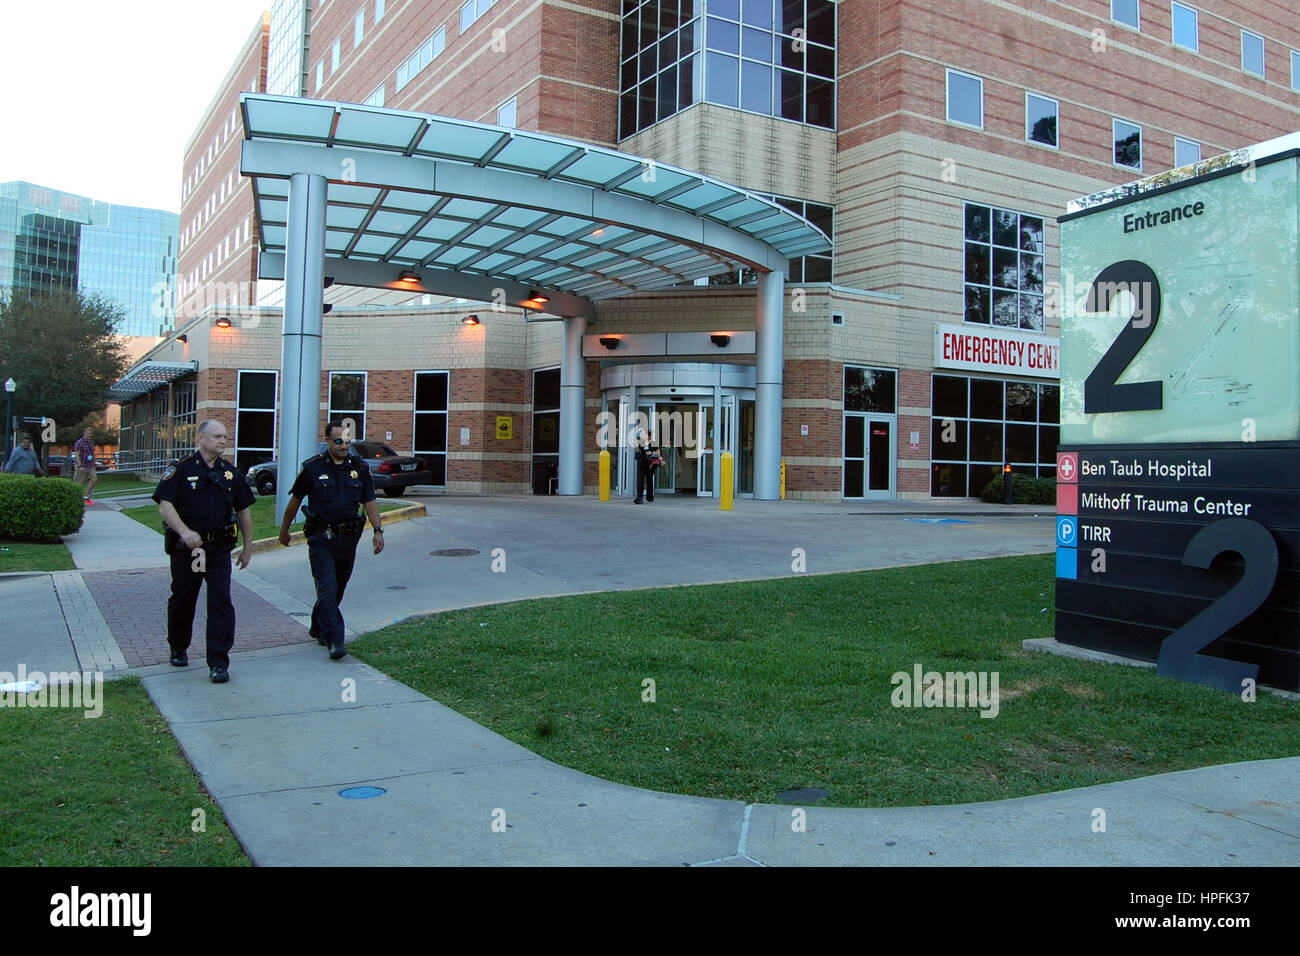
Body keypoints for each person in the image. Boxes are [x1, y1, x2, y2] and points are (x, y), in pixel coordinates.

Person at [153, 419, 254, 683]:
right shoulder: (181, 470)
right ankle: (178, 646)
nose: (223, 441)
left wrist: (248, 546)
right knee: (183, 599)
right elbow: (165, 505)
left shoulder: (231, 474)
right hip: (189, 550)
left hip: (219, 548)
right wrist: (184, 532)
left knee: (220, 600)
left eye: (225, 436)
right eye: (217, 436)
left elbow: (243, 511)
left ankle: (219, 662)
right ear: (201, 439)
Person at [277, 422, 385, 660]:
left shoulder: (360, 468)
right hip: (321, 537)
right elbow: (295, 501)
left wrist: (378, 531)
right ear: (327, 441)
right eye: (338, 441)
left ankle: (318, 625)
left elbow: (370, 501)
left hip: (348, 538)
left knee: (338, 586)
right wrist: (284, 530)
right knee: (327, 587)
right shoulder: (312, 468)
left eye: (348, 442)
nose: (344, 446)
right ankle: (335, 640)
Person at [633, 435, 662, 504]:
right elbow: (637, 451)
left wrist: (651, 453)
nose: (643, 436)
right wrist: (636, 448)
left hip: (650, 464)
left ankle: (649, 497)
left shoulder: (653, 443)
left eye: (645, 435)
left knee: (649, 480)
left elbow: (658, 452)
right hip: (641, 463)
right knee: (640, 480)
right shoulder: (640, 443)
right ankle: (639, 497)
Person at [72, 427, 98, 503]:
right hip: (82, 465)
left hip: (90, 465)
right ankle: (74, 498)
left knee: (94, 480)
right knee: (77, 483)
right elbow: (77, 454)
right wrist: (79, 465)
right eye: (88, 433)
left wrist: (94, 462)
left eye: (91, 433)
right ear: (84, 433)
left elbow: (92, 453)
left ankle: (86, 496)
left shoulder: (91, 442)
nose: (90, 435)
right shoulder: (80, 442)